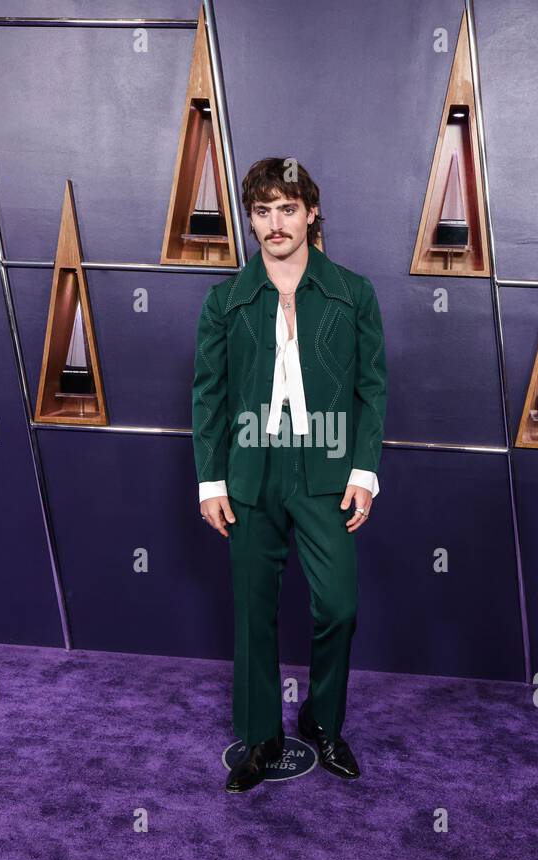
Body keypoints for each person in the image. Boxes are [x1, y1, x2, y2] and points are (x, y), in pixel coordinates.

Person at [192, 156, 388, 792]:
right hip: (250, 469)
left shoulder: (353, 293)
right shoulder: (226, 300)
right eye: (262, 211)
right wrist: (211, 481)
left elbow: (372, 388)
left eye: (287, 209)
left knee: (339, 607)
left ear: (310, 214)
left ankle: (322, 721)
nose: (275, 223)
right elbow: (209, 395)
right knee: (253, 610)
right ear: (252, 220)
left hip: (326, 467)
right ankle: (260, 734)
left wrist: (364, 471)